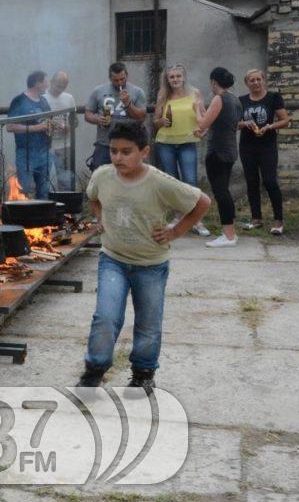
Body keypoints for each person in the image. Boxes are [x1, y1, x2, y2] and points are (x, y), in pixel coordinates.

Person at [77, 120, 210, 392]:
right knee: (106, 316)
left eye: (126, 151)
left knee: (148, 322)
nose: (118, 157)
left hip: (150, 265)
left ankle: (143, 373)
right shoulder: (102, 175)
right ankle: (94, 370)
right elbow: (93, 196)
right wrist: (101, 217)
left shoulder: (159, 182)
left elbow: (202, 202)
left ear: (144, 152)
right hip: (112, 259)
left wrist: (175, 231)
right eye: (114, 151)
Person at [151, 63, 211, 237]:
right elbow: (155, 121)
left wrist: (203, 131)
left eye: (178, 76)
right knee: (172, 182)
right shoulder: (163, 94)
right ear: (167, 79)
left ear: (184, 77)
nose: (175, 79)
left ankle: (196, 219)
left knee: (190, 181)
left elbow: (204, 118)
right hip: (166, 142)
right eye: (172, 77)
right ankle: (178, 217)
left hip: (187, 141)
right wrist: (162, 122)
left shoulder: (195, 93)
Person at [239, 69, 289, 235]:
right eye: (252, 80)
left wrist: (269, 127)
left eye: (258, 79)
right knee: (251, 182)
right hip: (247, 146)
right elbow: (235, 123)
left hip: (267, 146)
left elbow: (285, 120)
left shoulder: (273, 97)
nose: (256, 83)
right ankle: (256, 219)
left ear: (263, 80)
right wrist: (243, 124)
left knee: (269, 181)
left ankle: (278, 220)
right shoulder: (242, 100)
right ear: (247, 83)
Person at [196, 67, 242, 248]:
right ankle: (230, 233)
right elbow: (224, 123)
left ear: (214, 82)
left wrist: (196, 108)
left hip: (218, 152)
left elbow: (202, 122)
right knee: (224, 192)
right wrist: (204, 130)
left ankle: (229, 236)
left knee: (221, 193)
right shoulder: (235, 100)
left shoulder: (219, 98)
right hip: (230, 150)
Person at [85, 62, 148, 171]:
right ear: (110, 78)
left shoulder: (137, 92)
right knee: (99, 175)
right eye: (116, 80)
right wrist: (97, 119)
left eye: (122, 79)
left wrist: (128, 104)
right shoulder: (98, 91)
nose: (119, 82)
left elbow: (141, 118)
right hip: (104, 143)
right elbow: (88, 114)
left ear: (127, 75)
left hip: (128, 143)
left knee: (127, 176)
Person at [7, 71, 53, 199]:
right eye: (45, 82)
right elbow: (10, 126)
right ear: (38, 84)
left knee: (44, 190)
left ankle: (43, 218)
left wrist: (52, 126)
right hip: (26, 153)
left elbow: (47, 121)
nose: (47, 85)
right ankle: (25, 217)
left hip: (45, 152)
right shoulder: (19, 101)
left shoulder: (43, 101)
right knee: (25, 188)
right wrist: (36, 128)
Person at [43, 71, 76, 190]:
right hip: (46, 146)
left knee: (66, 181)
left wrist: (69, 127)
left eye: (63, 87)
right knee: (44, 181)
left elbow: (75, 122)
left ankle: (66, 207)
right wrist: (48, 125)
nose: (60, 89)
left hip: (64, 146)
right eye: (58, 86)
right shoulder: (42, 98)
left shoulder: (69, 98)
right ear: (51, 82)